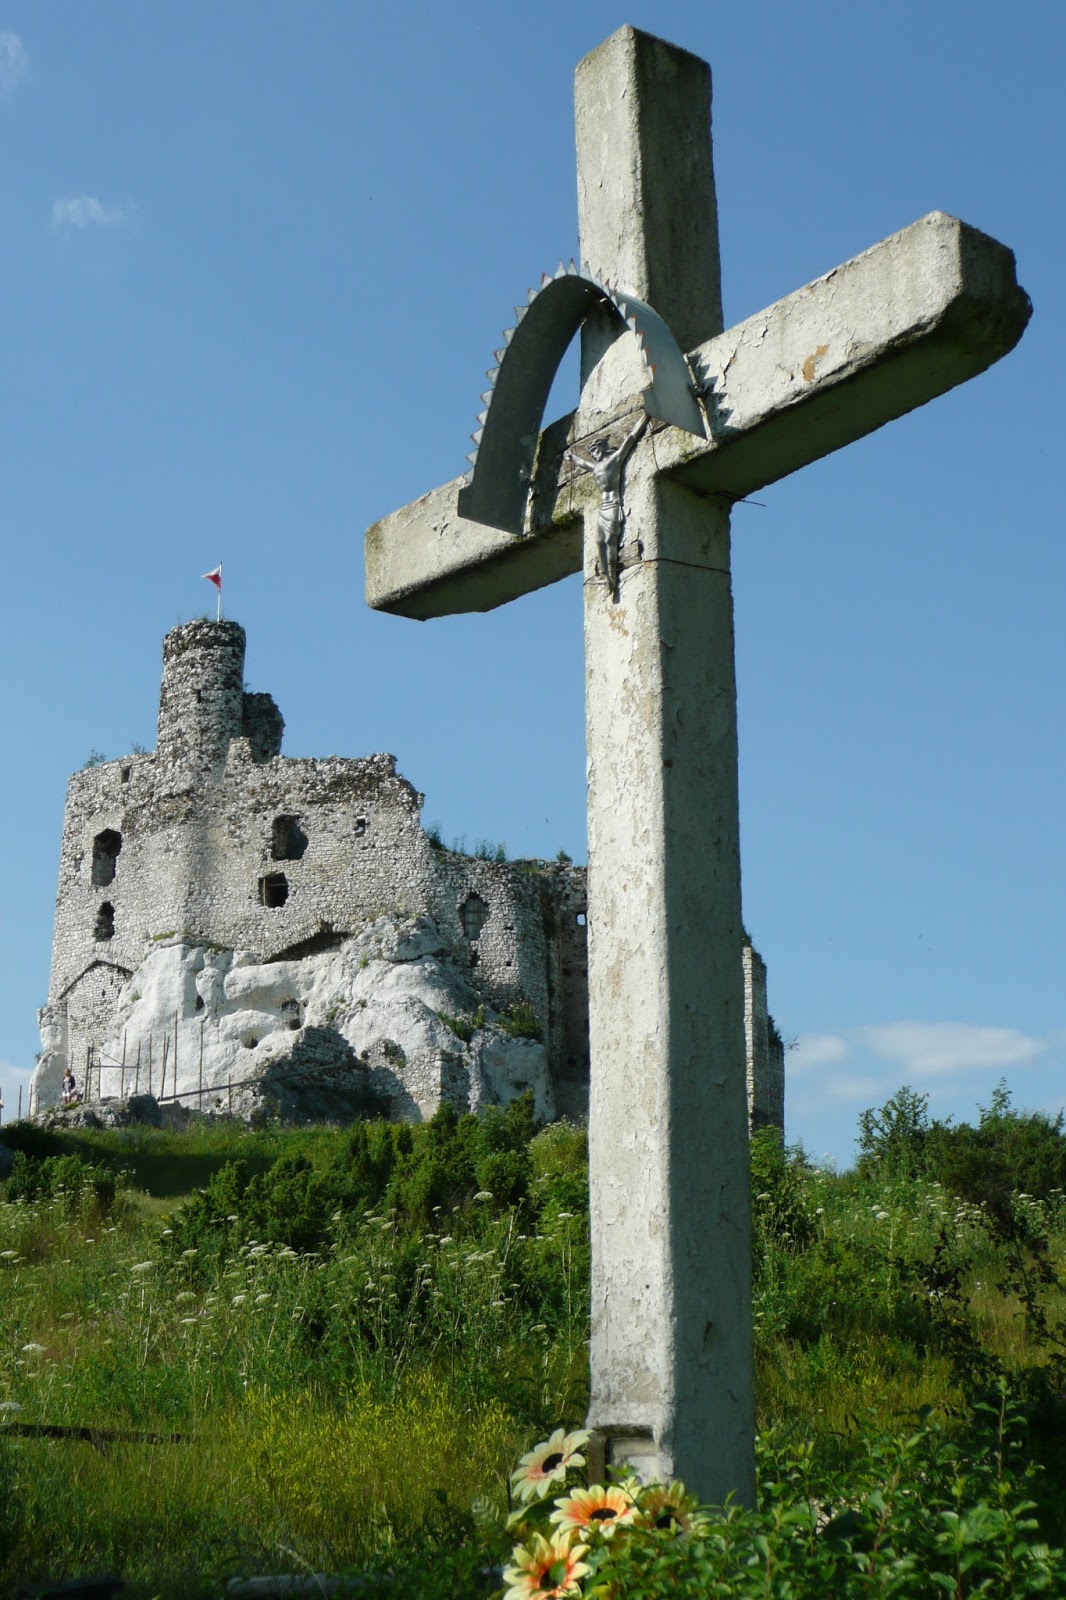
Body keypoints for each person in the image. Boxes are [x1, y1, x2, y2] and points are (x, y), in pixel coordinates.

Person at [570, 413, 648, 599]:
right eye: (591, 452)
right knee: (599, 542)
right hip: (603, 507)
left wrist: (646, 416)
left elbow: (630, 438)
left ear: (602, 447)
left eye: (595, 449)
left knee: (609, 542)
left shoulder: (614, 460)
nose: (593, 454)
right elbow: (583, 463)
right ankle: (606, 576)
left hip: (613, 504)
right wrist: (571, 457)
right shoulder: (596, 467)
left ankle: (612, 576)